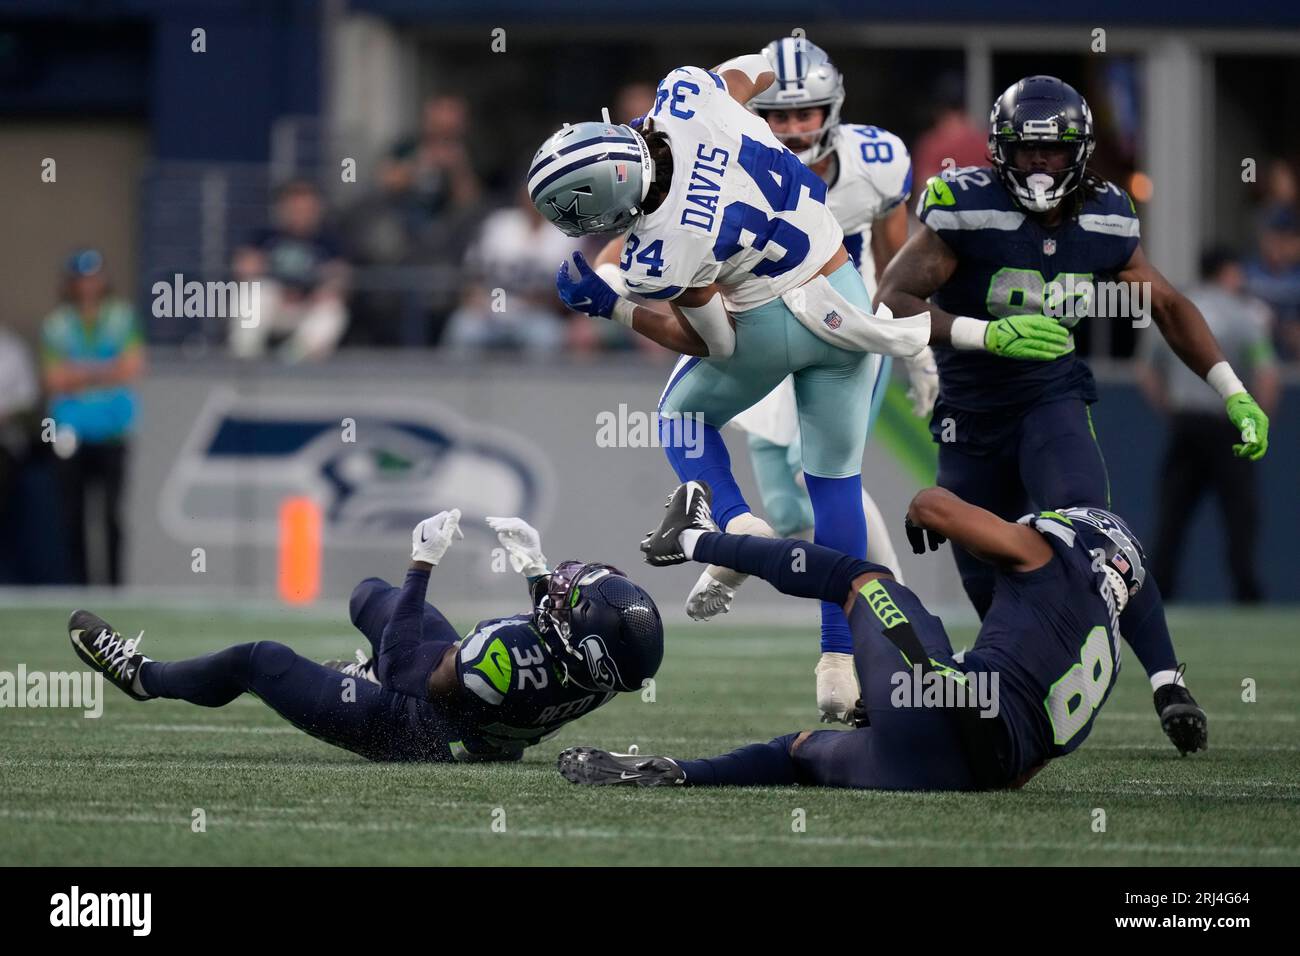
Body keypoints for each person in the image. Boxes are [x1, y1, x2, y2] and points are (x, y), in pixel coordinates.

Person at [530, 54, 1071, 720]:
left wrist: (609, 306)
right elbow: (752, 69)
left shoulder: (656, 252)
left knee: (679, 415)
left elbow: (713, 342)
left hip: (766, 323)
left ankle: (734, 522)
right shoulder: (685, 94)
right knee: (835, 483)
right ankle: (839, 661)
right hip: (845, 291)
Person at [876, 75, 1273, 753]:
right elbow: (892, 302)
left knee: (1098, 538)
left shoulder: (1108, 215)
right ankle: (1014, 698)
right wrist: (982, 333)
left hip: (1048, 399)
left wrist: (1231, 389)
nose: (1038, 166)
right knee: (992, 579)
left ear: (1079, 153)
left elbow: (1169, 307)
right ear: (1001, 151)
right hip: (968, 415)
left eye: (1052, 153)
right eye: (1025, 153)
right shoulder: (964, 206)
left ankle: (1168, 681)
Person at [558, 478, 1174, 790]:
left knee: (858, 575)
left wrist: (929, 519)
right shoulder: (1109, 656)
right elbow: (1024, 765)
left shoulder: (1053, 556)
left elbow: (932, 504)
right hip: (953, 773)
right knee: (800, 752)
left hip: (941, 703)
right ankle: (679, 771)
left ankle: (691, 540)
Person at [69, 512, 664, 763]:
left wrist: (422, 563)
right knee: (367, 597)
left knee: (261, 659)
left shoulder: (497, 657)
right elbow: (558, 651)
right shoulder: (607, 673)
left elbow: (405, 666)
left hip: (416, 723)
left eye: (571, 599)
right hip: (487, 719)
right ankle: (359, 673)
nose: (563, 591)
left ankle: (143, 678)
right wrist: (535, 571)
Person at [1137, 249, 1280, 602]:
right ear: (1228, 272)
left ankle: (1159, 591)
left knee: (1173, 513)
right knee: (1240, 514)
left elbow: (1145, 371)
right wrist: (1259, 419)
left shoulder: (1175, 307)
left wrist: (1170, 409)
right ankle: (1246, 591)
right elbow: (1266, 374)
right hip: (1227, 424)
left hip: (1187, 424)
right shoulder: (1246, 314)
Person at [41, 249, 146, 586]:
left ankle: (114, 585)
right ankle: (79, 584)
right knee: (72, 514)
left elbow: (132, 368)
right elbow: (53, 379)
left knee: (112, 513)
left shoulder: (121, 317)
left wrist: (80, 374)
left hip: (113, 428)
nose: (88, 285)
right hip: (70, 430)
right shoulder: (57, 323)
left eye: (93, 277)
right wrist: (105, 371)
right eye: (81, 279)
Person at [230, 180, 349, 361]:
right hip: (274, 304)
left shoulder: (328, 241)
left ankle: (293, 358)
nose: (301, 214)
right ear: (283, 209)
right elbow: (243, 268)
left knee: (333, 310)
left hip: (306, 307)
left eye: (307, 208)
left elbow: (340, 277)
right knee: (254, 293)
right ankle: (245, 357)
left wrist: (324, 289)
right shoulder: (266, 237)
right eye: (295, 208)